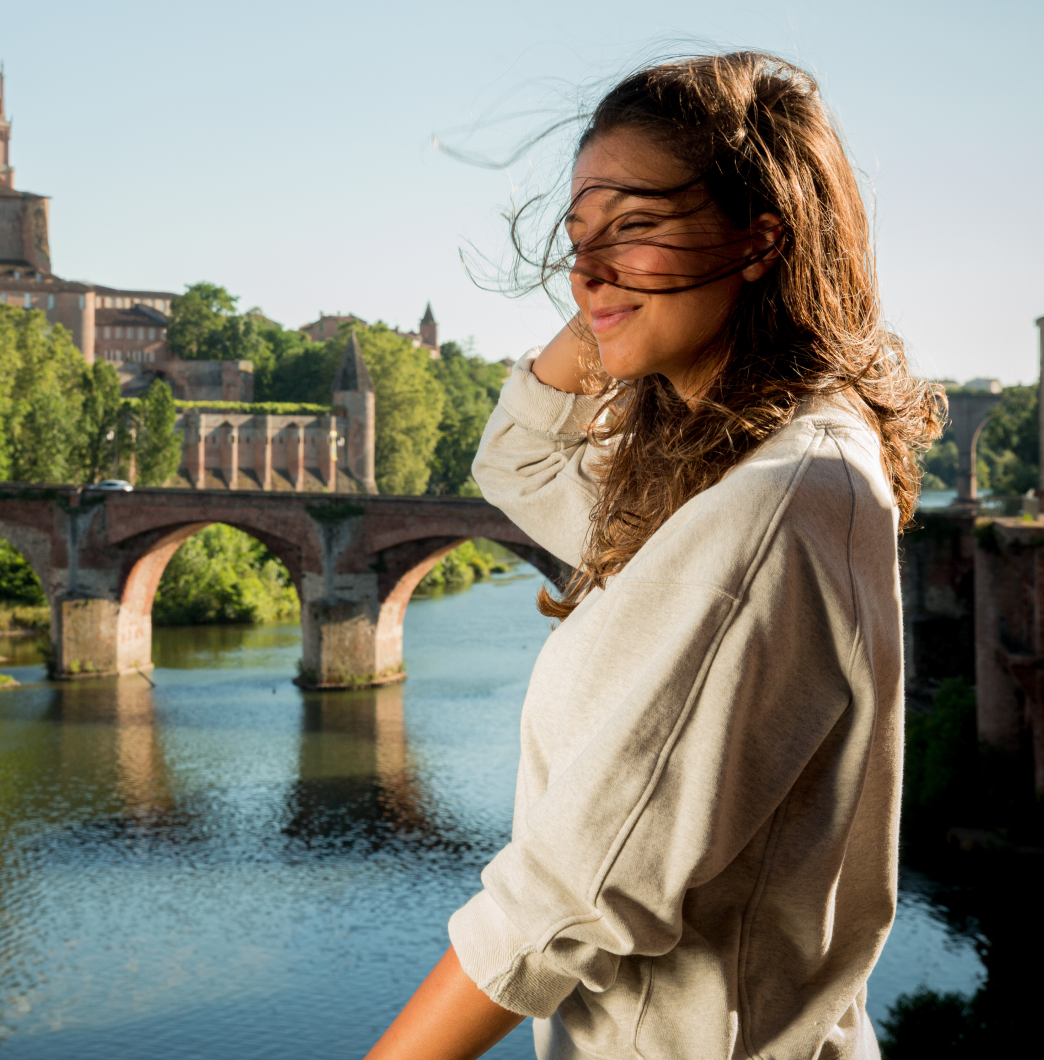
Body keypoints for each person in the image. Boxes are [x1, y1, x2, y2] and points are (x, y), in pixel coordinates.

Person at [365, 52, 943, 1059]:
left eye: (635, 224)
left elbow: (562, 899)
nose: (582, 269)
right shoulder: (725, 467)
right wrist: (620, 293)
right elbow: (519, 459)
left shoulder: (770, 505)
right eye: (576, 238)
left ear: (759, 236)